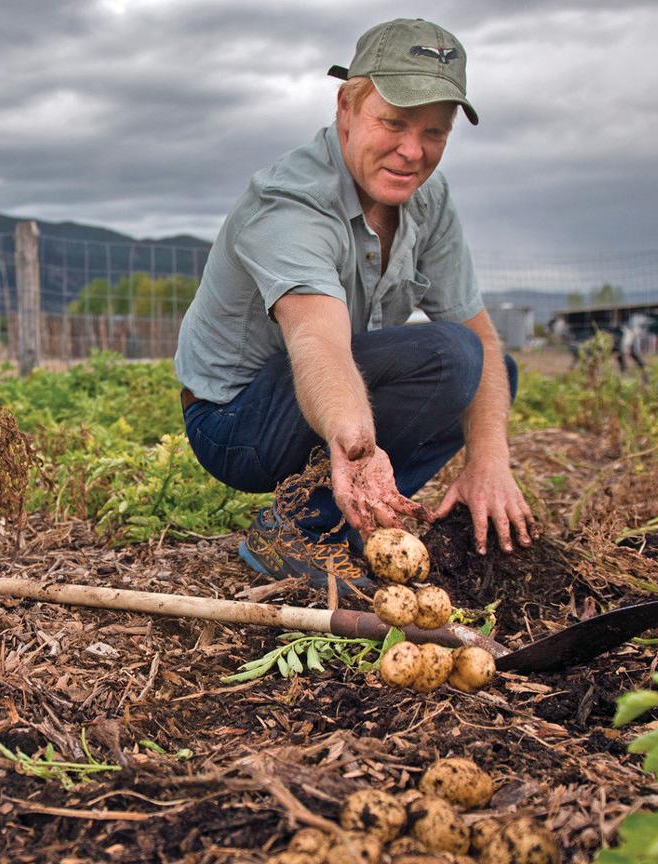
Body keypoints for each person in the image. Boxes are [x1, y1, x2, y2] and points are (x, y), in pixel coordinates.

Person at [173, 18, 533, 589]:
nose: (412, 151)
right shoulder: (290, 203)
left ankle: (341, 522)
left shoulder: (427, 199)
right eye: (392, 122)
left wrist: (488, 461)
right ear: (346, 106)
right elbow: (316, 338)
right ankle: (297, 530)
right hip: (234, 420)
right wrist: (359, 445)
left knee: (489, 367)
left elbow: (484, 339)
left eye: (434, 133)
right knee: (453, 356)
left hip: (317, 394)